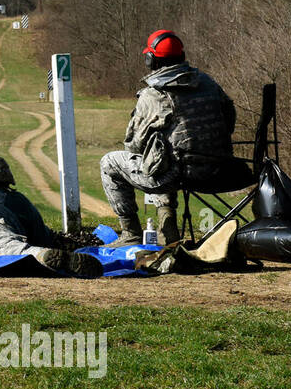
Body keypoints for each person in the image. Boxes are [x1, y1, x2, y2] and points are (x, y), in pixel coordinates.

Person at [101, 29, 236, 246]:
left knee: (111, 163)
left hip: (178, 175)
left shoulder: (152, 95)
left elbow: (133, 144)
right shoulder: (208, 83)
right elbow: (229, 119)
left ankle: (131, 234)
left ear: (151, 60)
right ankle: (166, 227)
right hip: (221, 170)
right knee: (166, 155)